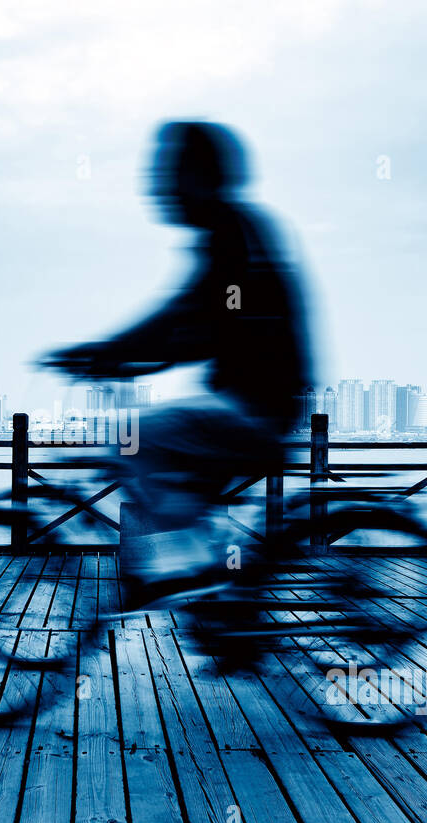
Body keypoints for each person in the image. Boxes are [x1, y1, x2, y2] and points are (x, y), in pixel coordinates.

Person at [44, 120, 315, 605]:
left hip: (259, 408)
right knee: (170, 473)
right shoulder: (234, 232)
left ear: (202, 175)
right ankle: (225, 599)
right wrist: (118, 355)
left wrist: (108, 353)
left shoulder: (233, 236)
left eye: (169, 172)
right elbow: (190, 322)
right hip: (250, 403)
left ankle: (182, 571)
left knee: (133, 439)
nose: (158, 185)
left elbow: (193, 320)